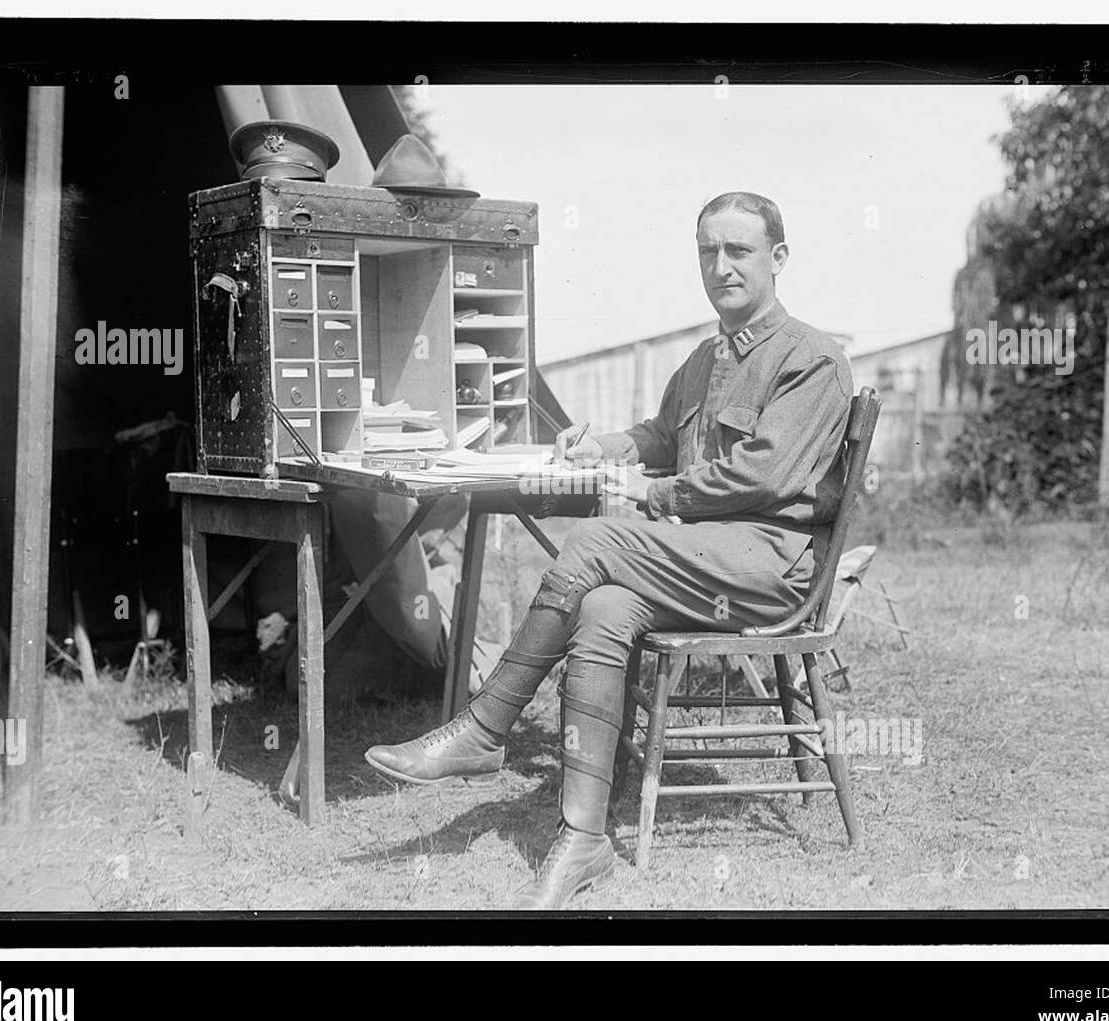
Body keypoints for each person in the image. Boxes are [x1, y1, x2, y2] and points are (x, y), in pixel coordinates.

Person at [364, 191, 855, 909]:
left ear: (778, 259)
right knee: (603, 604)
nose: (721, 267)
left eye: (738, 251)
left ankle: (485, 724)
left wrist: (650, 494)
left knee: (593, 535)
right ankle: (584, 839)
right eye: (707, 252)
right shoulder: (704, 357)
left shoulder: (813, 359)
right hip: (712, 555)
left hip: (774, 566)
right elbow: (663, 436)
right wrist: (610, 447)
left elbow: (763, 474)